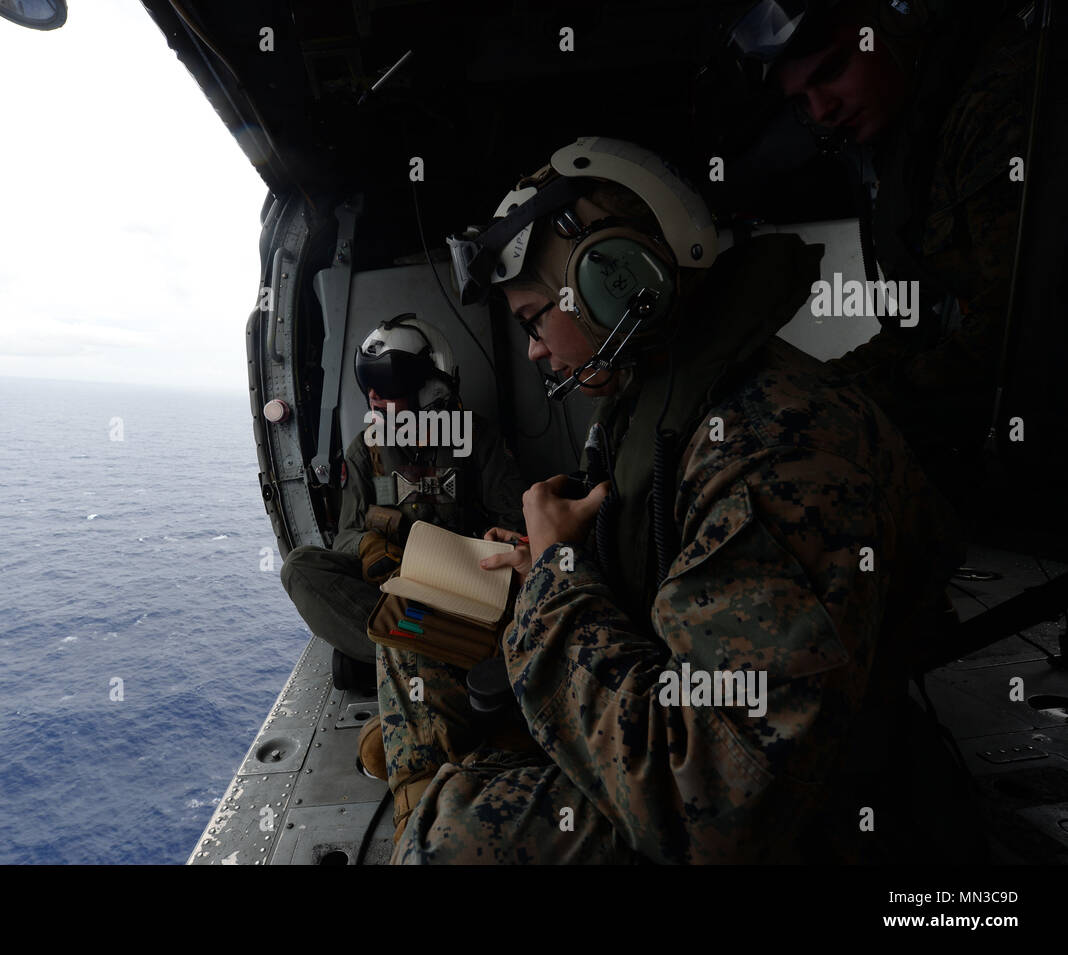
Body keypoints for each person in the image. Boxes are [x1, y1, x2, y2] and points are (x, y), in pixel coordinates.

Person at [373, 135, 973, 863]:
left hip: (794, 815)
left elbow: (716, 802)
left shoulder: (773, 456)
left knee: (452, 842)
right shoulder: (650, 402)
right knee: (410, 627)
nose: (532, 349)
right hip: (665, 712)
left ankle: (431, 809)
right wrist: (549, 558)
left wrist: (556, 583)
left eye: (534, 319)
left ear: (617, 282)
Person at [740, 0, 1037, 521]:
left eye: (831, 71)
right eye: (802, 101)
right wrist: (804, 393)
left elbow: (1014, 337)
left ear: (898, 20)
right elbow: (920, 328)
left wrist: (838, 407)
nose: (821, 111)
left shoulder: (1002, 106)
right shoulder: (906, 137)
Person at [280, 314, 525, 679]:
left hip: (468, 586)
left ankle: (411, 654)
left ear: (429, 387)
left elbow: (514, 529)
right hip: (399, 587)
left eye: (386, 382)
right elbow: (345, 535)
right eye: (368, 382)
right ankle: (432, 654)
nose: (374, 395)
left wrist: (474, 554)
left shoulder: (477, 439)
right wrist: (367, 547)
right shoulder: (366, 451)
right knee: (300, 568)